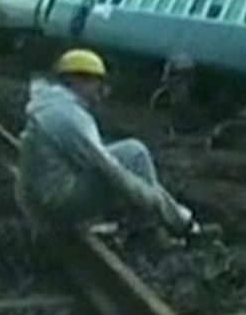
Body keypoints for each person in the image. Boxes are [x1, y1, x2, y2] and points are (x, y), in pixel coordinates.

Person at [16, 48, 197, 237]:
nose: (101, 90)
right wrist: (150, 198)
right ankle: (154, 226)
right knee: (135, 155)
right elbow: (107, 167)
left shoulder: (52, 104)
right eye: (96, 83)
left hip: (45, 196)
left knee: (132, 153)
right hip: (57, 201)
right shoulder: (67, 116)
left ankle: (176, 219)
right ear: (77, 80)